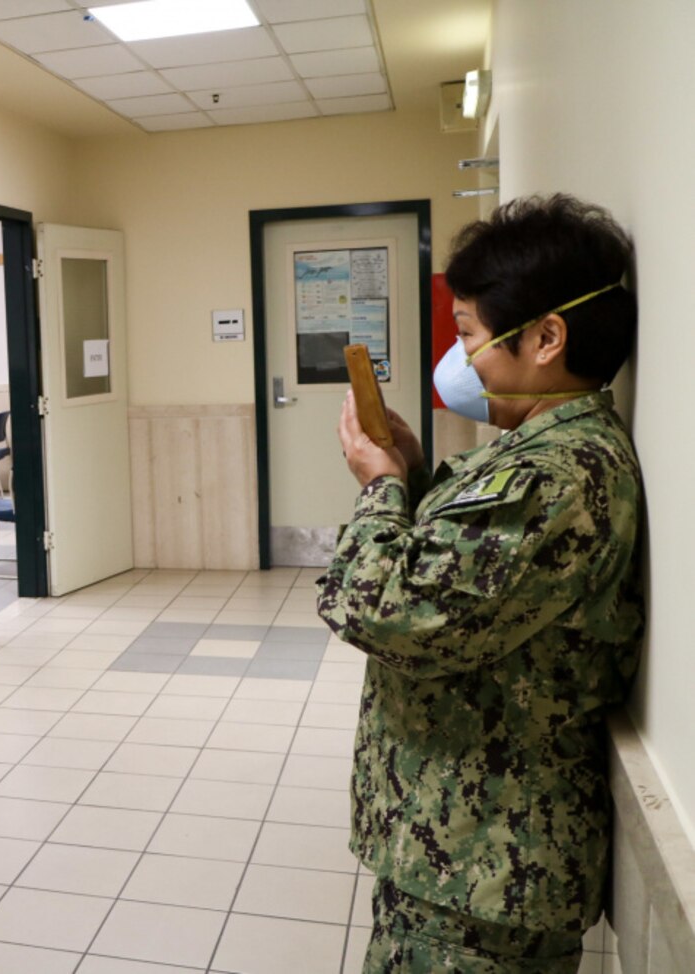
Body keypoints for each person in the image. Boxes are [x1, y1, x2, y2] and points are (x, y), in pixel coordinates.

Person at [316, 195, 643, 973]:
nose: (460, 359)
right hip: (455, 857)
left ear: (545, 338)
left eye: (467, 334)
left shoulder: (557, 476)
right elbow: (475, 577)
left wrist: (380, 486)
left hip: (482, 877)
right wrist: (415, 467)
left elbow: (381, 608)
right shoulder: (540, 449)